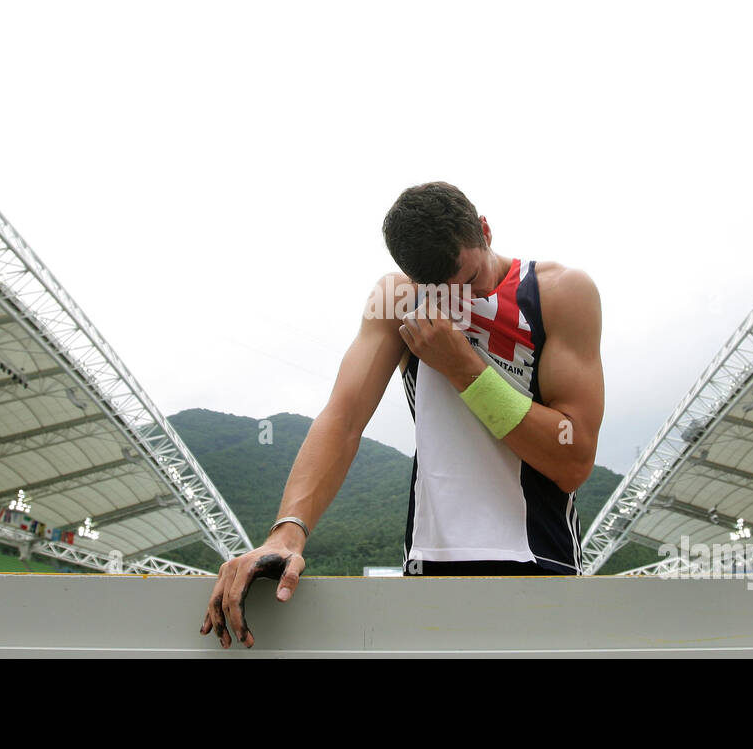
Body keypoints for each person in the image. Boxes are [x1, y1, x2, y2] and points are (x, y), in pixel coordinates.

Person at [200, 181, 605, 648]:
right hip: (429, 565)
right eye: (439, 291)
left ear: (486, 231)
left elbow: (572, 460)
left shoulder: (558, 291)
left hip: (541, 562)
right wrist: (286, 534)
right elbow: (343, 418)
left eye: (469, 281)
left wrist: (463, 369)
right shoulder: (398, 298)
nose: (456, 301)